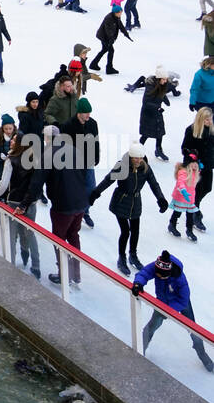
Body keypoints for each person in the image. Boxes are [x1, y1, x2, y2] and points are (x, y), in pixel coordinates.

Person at [90, 143, 168, 275]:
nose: (138, 160)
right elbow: (108, 180)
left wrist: (161, 199)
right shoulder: (122, 166)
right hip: (121, 201)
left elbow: (154, 184)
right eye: (135, 158)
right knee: (125, 231)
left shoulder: (145, 168)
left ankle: (133, 255)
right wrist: (95, 193)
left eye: (140, 158)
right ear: (130, 157)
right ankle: (122, 257)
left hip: (135, 202)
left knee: (136, 230)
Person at [132, 252, 214, 371]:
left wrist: (169, 310)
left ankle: (203, 355)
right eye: (157, 275)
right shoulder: (157, 266)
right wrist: (138, 283)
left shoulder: (180, 278)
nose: (159, 277)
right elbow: (144, 273)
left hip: (181, 304)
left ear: (169, 274)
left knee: (193, 329)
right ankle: (140, 352)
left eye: (162, 276)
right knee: (150, 327)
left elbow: (184, 300)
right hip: (162, 304)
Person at [0, 132, 44, 278]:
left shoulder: (11, 159)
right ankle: (36, 265)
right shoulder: (34, 159)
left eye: (14, 140)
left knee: (11, 236)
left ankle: (11, 266)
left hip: (14, 202)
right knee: (30, 233)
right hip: (30, 203)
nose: (11, 141)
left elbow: (4, 184)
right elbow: (36, 184)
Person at [44, 126, 89, 289]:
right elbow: (85, 173)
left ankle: (64, 273)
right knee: (74, 235)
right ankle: (75, 274)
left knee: (59, 239)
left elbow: (39, 179)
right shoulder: (74, 150)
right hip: (80, 203)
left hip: (63, 206)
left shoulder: (48, 154)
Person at [60, 96, 99, 229]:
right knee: (75, 188)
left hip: (88, 161)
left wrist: (97, 155)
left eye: (89, 112)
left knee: (90, 187)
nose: (88, 115)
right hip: (74, 163)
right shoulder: (68, 126)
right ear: (79, 112)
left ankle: (84, 211)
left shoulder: (93, 124)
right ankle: (74, 212)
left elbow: (96, 141)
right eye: (86, 112)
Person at [88, 9, 132, 75]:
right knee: (111, 50)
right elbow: (108, 30)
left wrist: (126, 34)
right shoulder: (109, 18)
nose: (121, 14)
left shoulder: (116, 17)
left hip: (106, 37)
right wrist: (111, 39)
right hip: (104, 37)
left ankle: (93, 64)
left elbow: (121, 26)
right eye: (120, 12)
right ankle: (109, 68)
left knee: (104, 49)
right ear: (116, 12)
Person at [168, 159, 201, 242]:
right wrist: (183, 191)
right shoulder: (183, 172)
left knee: (190, 216)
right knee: (177, 213)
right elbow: (180, 182)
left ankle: (189, 231)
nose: (195, 165)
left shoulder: (195, 173)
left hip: (190, 199)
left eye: (196, 163)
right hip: (181, 197)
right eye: (192, 163)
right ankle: (172, 225)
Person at [0, 114, 17, 182]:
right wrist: (0, 156)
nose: (8, 131)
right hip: (2, 168)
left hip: (15, 169)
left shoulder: (18, 137)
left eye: (10, 128)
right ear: (2, 128)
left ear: (13, 127)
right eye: (6, 129)